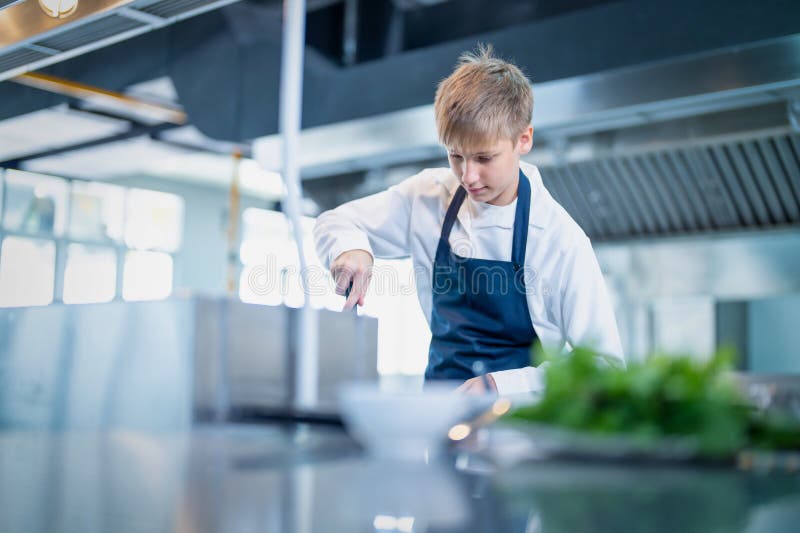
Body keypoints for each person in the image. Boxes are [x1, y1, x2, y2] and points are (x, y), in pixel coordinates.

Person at [313, 45, 624, 396]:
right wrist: (353, 250)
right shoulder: (428, 197)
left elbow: (604, 366)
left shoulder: (559, 239)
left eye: (484, 158)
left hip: (521, 431)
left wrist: (500, 386)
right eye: (455, 156)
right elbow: (335, 221)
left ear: (523, 139)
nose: (469, 176)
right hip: (439, 416)